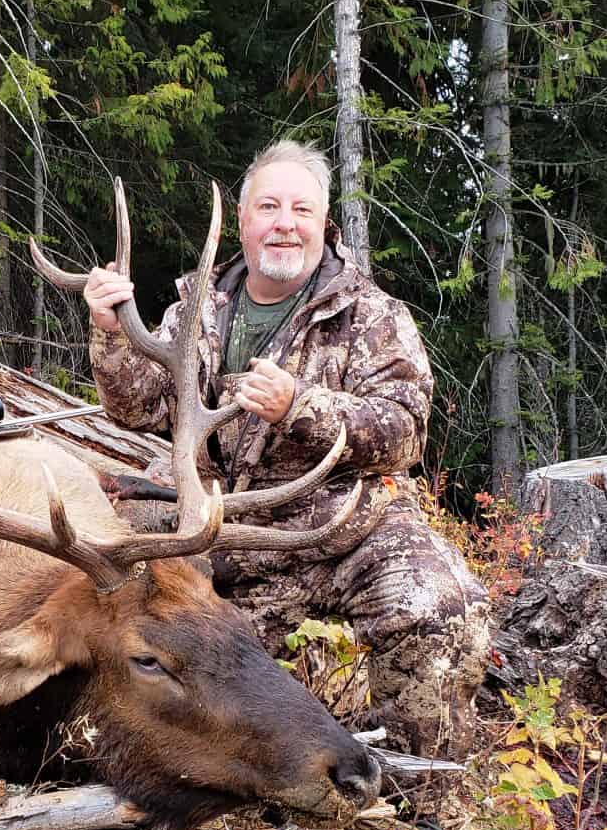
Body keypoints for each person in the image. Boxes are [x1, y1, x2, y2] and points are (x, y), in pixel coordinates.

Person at [82, 140, 490, 757]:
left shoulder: (370, 315)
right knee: (151, 639)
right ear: (244, 220)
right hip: (227, 537)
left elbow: (406, 430)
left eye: (301, 210)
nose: (285, 223)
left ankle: (417, 781)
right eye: (269, 207)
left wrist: (301, 406)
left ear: (324, 224)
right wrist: (111, 332)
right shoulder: (198, 311)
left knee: (441, 611)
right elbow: (137, 407)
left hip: (349, 530)